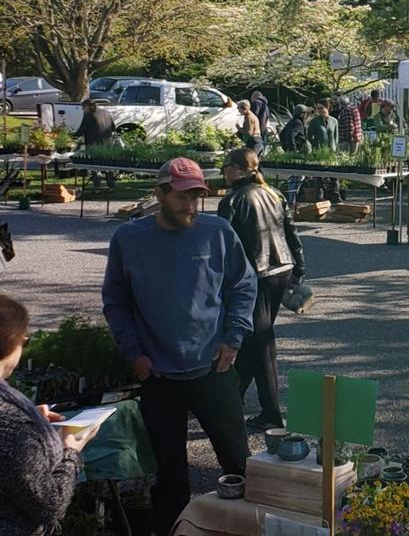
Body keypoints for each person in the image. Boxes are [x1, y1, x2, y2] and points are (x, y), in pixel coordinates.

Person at [102, 157, 257, 536]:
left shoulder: (217, 232)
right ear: (160, 194)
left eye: (197, 197)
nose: (190, 205)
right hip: (158, 375)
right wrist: (134, 352)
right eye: (182, 197)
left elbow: (243, 285)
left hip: (214, 369)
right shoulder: (129, 239)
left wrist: (233, 339)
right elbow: (116, 301)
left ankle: (253, 528)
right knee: (169, 475)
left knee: (240, 465)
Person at [218, 148, 306, 431]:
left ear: (237, 169)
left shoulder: (233, 200)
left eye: (225, 167)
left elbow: (224, 248)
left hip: (254, 276)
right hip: (282, 269)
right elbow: (291, 233)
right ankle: (234, 397)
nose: (223, 172)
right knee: (255, 340)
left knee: (262, 343)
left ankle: (269, 412)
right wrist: (299, 270)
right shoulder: (275, 194)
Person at [0, 294, 100, 534]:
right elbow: (49, 504)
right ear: (13, 342)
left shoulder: (13, 420)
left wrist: (30, 418)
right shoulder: (13, 433)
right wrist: (71, 453)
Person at [74, 98, 116, 189]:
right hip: (107, 143)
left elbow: (81, 131)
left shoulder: (89, 115)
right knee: (108, 166)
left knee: (94, 166)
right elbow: (113, 127)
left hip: (93, 144)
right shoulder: (106, 113)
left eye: (83, 108)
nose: (82, 110)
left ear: (87, 107)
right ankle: (111, 185)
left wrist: (70, 135)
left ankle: (97, 186)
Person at [306, 102, 340, 202]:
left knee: (334, 175)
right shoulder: (315, 121)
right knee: (319, 175)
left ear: (328, 108)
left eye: (322, 108)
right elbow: (309, 136)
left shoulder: (334, 121)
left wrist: (334, 147)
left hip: (331, 152)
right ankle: (319, 195)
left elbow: (336, 136)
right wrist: (315, 145)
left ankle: (335, 195)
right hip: (319, 151)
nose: (320, 110)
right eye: (318, 108)